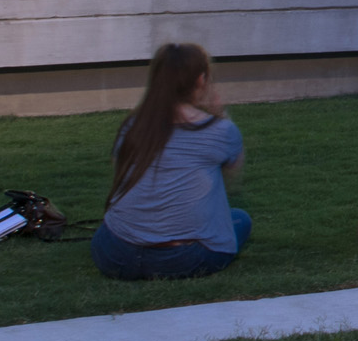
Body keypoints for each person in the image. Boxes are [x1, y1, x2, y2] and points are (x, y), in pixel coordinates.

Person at [92, 42, 250, 280]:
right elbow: (232, 172)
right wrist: (219, 114)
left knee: (115, 226)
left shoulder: (132, 126)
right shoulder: (220, 130)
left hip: (115, 254)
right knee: (240, 219)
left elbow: (121, 175)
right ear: (200, 80)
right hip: (183, 259)